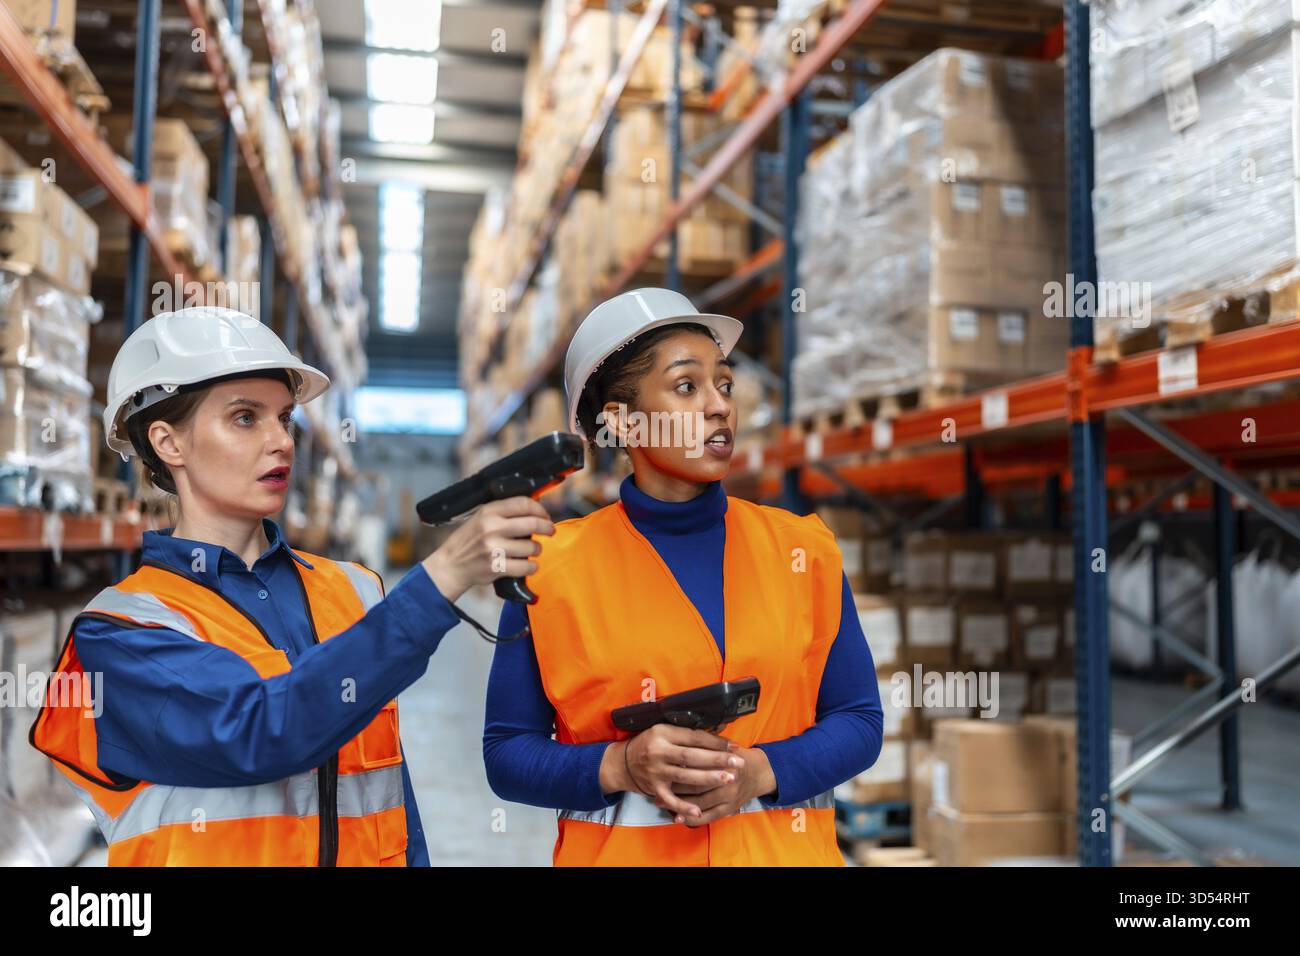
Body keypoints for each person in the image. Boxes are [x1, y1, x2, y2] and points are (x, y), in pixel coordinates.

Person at [31, 306, 554, 866]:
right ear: (168, 443)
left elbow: (392, 804)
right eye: (244, 418)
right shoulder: (124, 627)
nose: (281, 441)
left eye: (285, 418)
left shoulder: (352, 590)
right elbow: (259, 731)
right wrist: (442, 578)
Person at [483, 288, 885, 866]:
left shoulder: (802, 550)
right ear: (621, 421)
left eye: (724, 384)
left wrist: (763, 772)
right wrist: (620, 765)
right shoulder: (551, 568)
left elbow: (860, 720)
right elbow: (506, 754)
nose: (720, 406)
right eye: (686, 387)